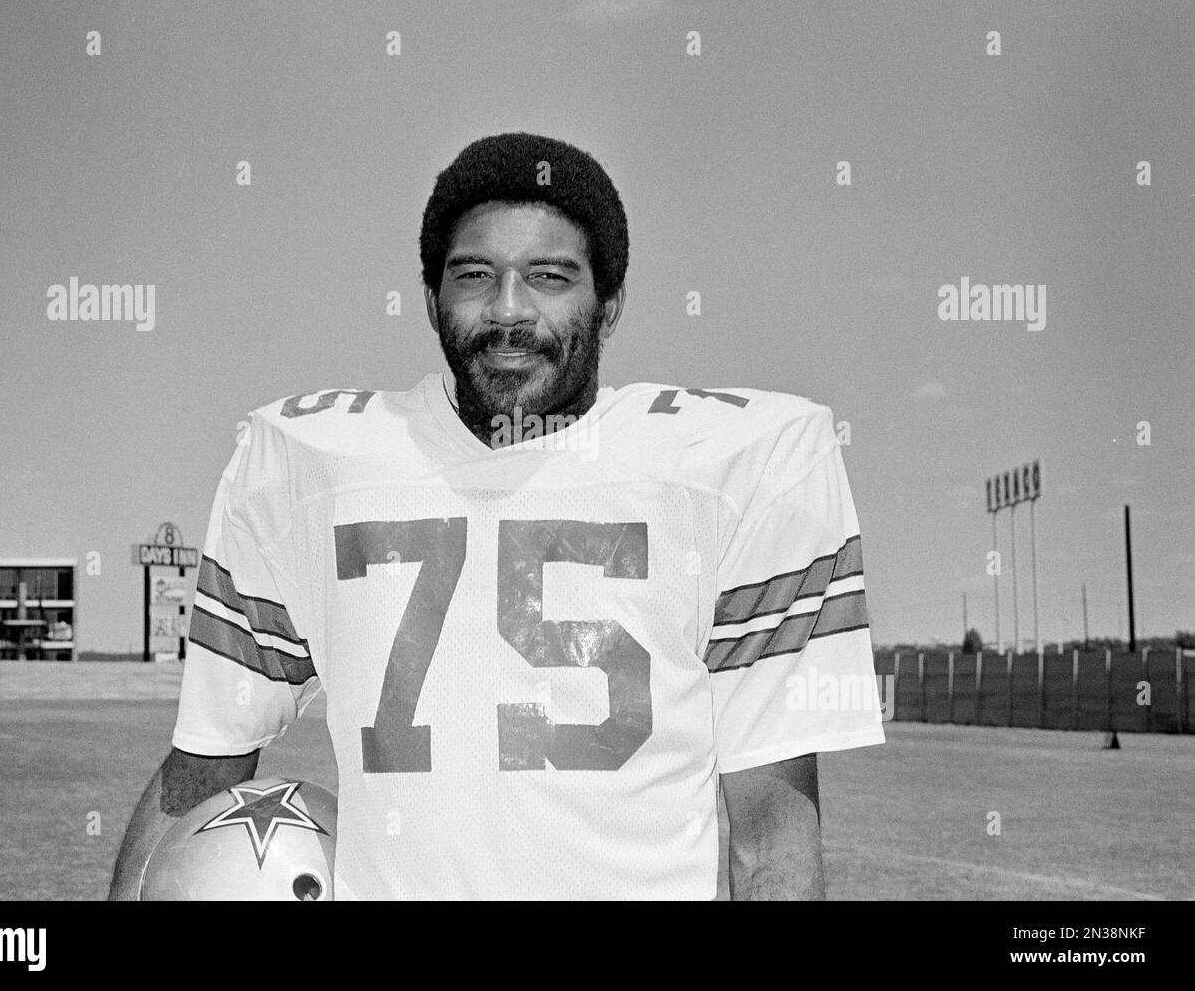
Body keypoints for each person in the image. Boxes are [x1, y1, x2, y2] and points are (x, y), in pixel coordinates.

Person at [109, 132, 884, 900]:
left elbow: (768, 830)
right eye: (475, 275)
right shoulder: (308, 467)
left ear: (610, 304)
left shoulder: (733, 469)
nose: (509, 310)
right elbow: (206, 765)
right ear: (431, 301)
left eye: (550, 276)